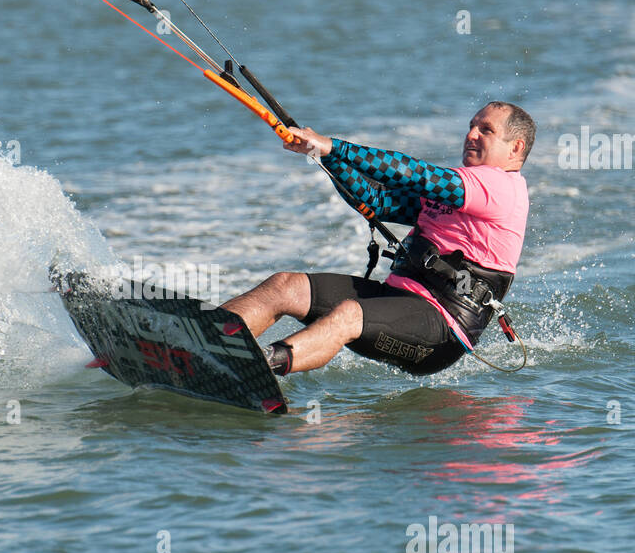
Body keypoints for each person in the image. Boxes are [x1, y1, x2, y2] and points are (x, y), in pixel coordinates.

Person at [221, 102, 533, 376]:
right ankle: (208, 341)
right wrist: (320, 154)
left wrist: (332, 146)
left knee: (347, 314)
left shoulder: (501, 188)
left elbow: (416, 175)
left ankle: (253, 368)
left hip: (442, 328)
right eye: (471, 126)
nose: (471, 134)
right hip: (394, 301)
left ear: (516, 147)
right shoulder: (463, 191)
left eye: (486, 130)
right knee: (284, 287)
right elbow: (376, 200)